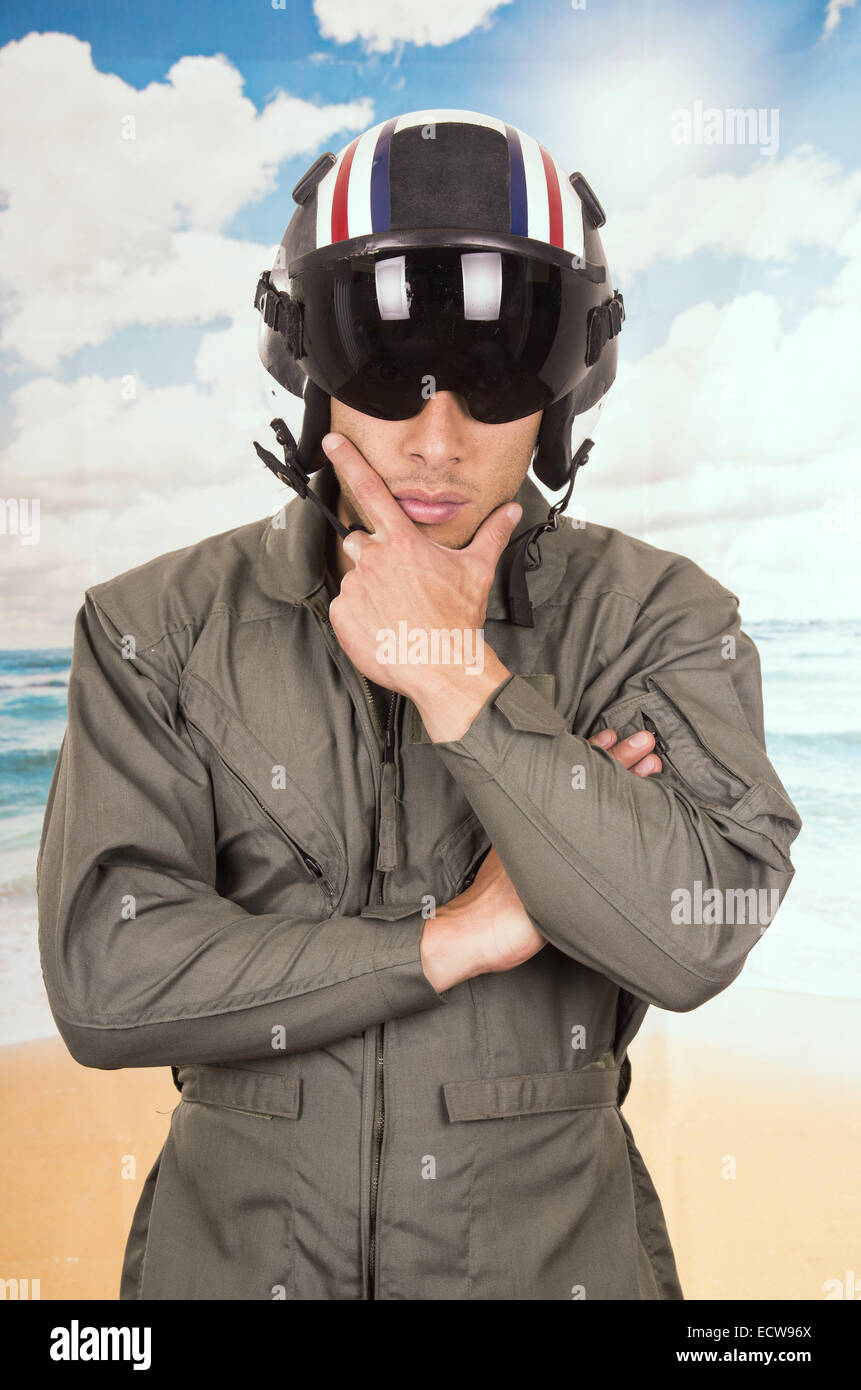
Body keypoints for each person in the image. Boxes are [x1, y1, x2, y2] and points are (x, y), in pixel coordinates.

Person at [37, 109, 802, 1301]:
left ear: (564, 390)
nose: (436, 439)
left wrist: (461, 678)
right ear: (308, 370)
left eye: (493, 374)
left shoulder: (661, 616)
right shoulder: (154, 625)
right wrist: (452, 942)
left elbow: (691, 931)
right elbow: (105, 979)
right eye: (390, 368)